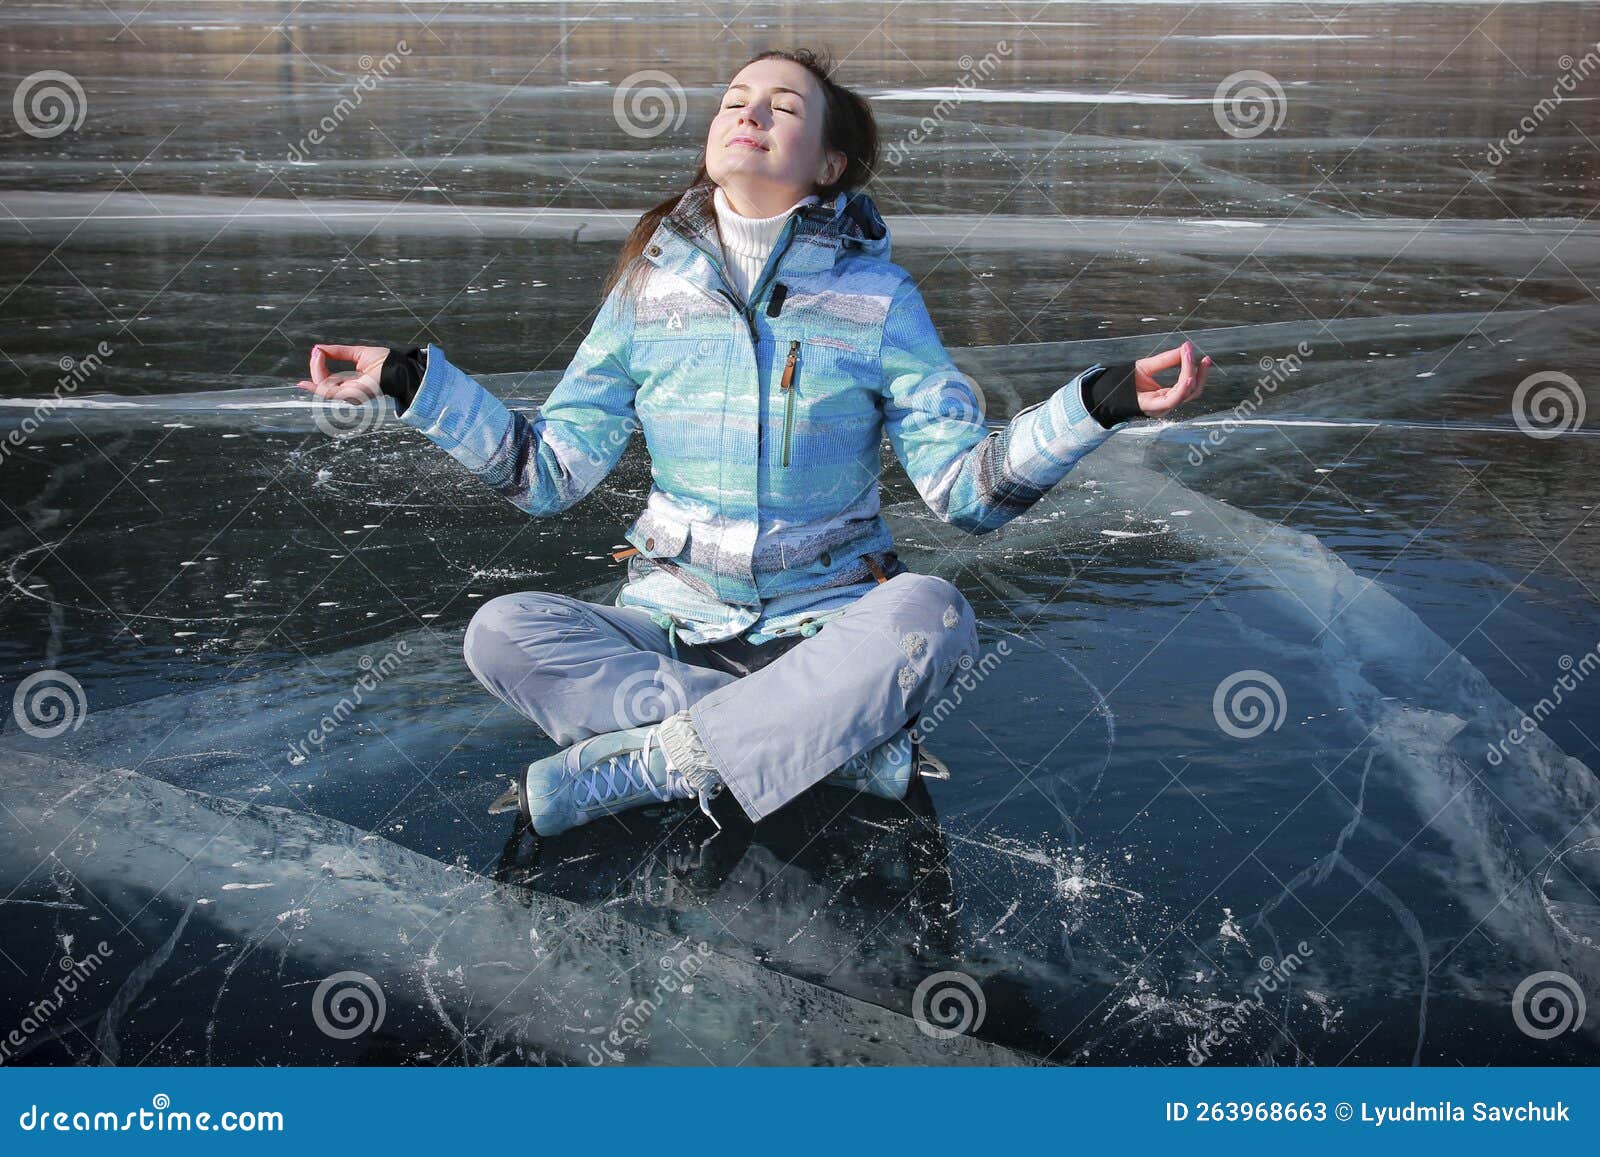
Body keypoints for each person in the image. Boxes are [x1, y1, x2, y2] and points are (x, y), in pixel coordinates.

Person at [296, 48, 1210, 838]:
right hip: (670, 627)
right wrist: (415, 384)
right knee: (502, 634)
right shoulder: (646, 295)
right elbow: (548, 473)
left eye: (783, 106)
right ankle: (829, 751)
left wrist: (1095, 406)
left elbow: (965, 496)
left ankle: (652, 765)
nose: (750, 113)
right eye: (735, 100)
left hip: (827, 630)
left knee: (932, 614)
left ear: (829, 163)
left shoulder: (877, 300)